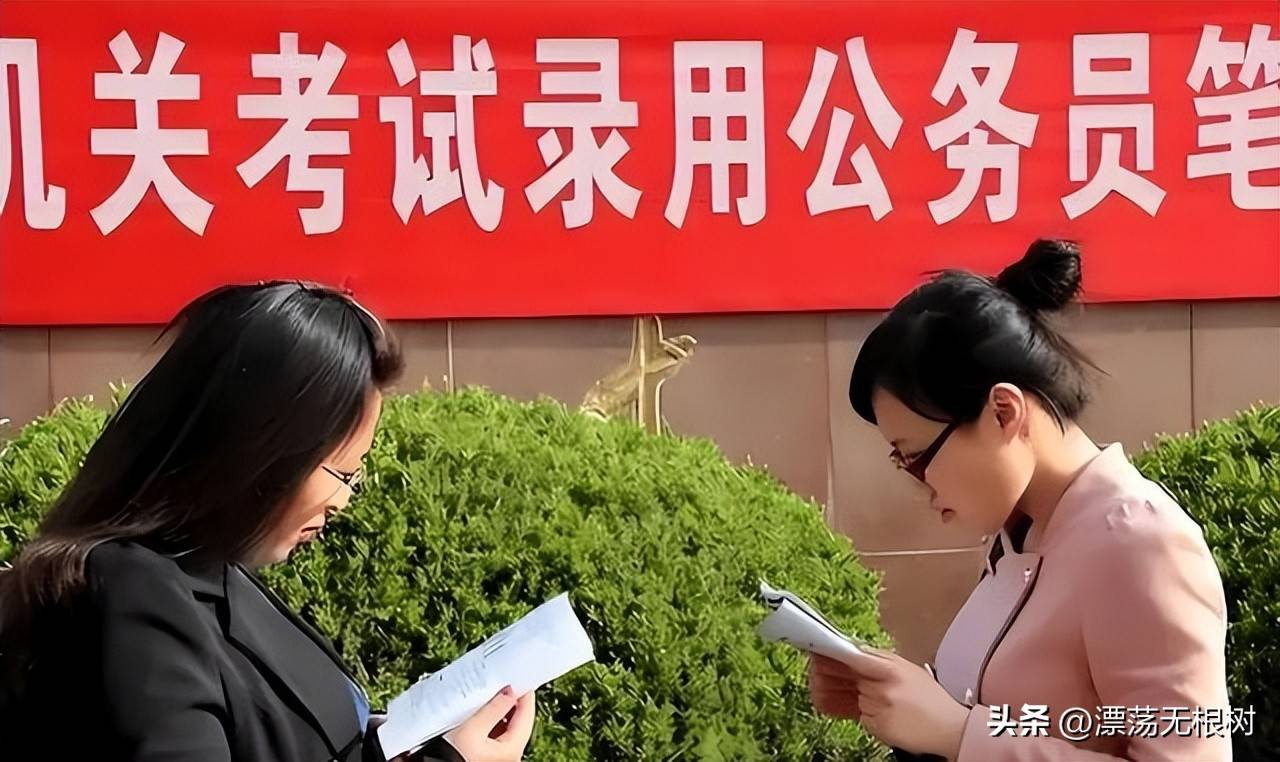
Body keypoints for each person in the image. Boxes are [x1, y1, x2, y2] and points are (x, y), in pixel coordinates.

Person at [0, 282, 536, 762]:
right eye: (340, 472)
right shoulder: (134, 593)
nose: (342, 500)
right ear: (262, 451)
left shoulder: (212, 569)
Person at [810, 240, 1231, 761]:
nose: (920, 484)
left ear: (1004, 412)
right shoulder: (1025, 529)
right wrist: (892, 700)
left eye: (917, 457)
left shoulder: (1140, 544)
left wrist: (958, 734)